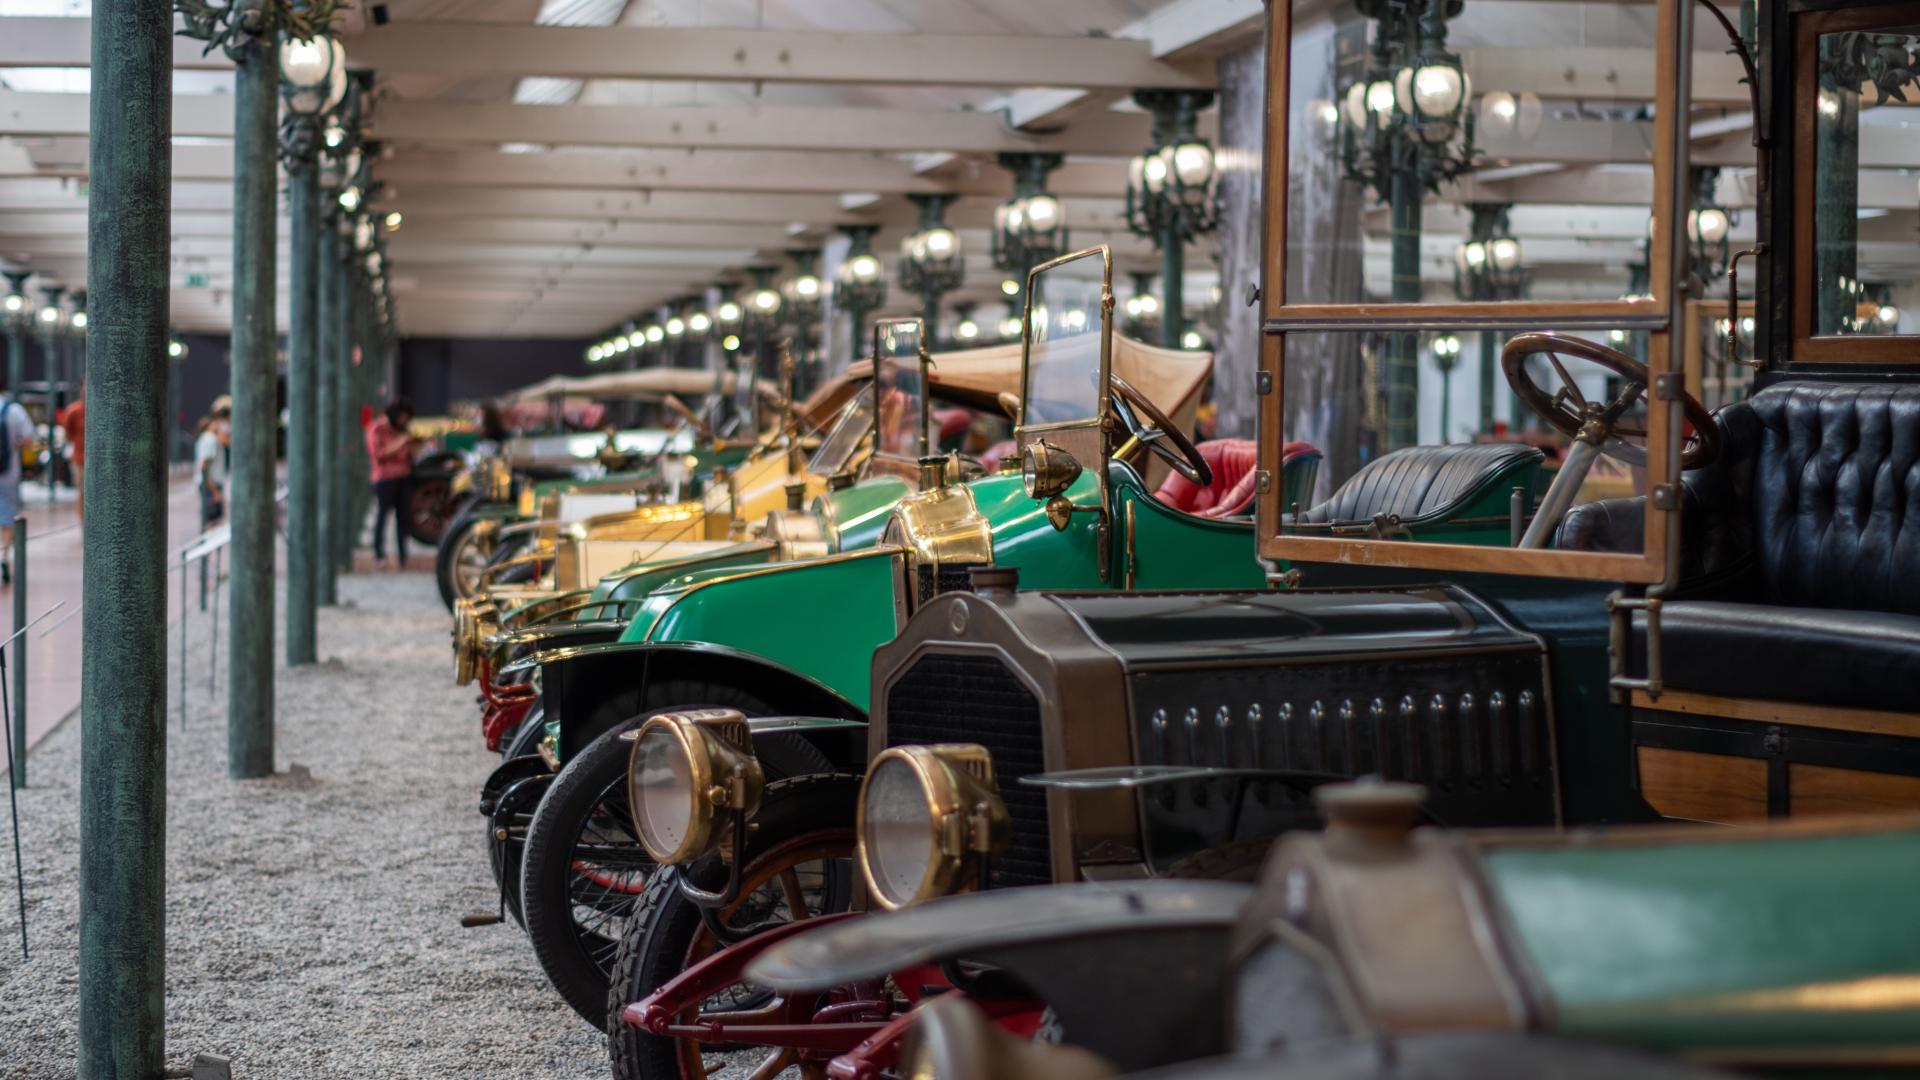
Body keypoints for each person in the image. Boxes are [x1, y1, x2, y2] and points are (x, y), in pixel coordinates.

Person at [366, 397, 418, 569]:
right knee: (382, 516)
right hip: (385, 479)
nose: (404, 421)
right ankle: (379, 554)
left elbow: (408, 456)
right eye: (403, 417)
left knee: (403, 518)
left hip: (403, 476)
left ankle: (403, 556)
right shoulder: (377, 428)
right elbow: (379, 455)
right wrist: (401, 442)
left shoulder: (401, 430)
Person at [0, 375, 35, 584]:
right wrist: (14, 444)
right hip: (8, 472)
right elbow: (29, 438)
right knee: (7, 516)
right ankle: (3, 555)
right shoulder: (13, 410)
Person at [194, 395, 231, 532]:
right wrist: (215, 491)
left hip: (212, 484)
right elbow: (204, 466)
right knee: (211, 522)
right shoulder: (210, 440)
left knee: (213, 520)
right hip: (211, 485)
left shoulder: (212, 439)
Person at [56, 380, 84, 523]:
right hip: (79, 459)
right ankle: (83, 524)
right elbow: (67, 434)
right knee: (82, 491)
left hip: (97, 460)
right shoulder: (73, 410)